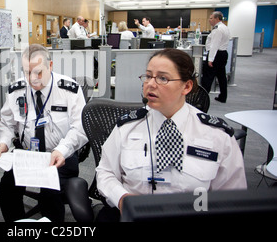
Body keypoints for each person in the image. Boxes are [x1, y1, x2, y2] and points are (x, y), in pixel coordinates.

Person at [95, 48, 246, 221]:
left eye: (162, 78)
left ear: (186, 86)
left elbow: (233, 197)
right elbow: (105, 172)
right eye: (148, 76)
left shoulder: (216, 135)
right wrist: (122, 199)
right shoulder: (128, 127)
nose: (150, 84)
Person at [0, 44, 88, 222]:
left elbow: (81, 127)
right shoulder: (17, 90)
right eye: (27, 72)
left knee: (50, 196)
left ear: (50, 66)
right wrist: (4, 141)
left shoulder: (68, 90)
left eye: (38, 72)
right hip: (27, 154)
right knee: (5, 189)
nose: (32, 79)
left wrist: (63, 149)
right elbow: (7, 123)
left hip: (60, 156)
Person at [201, 11, 231, 103]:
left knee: (207, 78)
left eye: (211, 18)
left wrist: (210, 59)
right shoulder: (225, 27)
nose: (209, 20)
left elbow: (214, 45)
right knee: (222, 77)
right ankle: (223, 96)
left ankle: (202, 99)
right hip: (223, 54)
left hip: (216, 55)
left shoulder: (217, 29)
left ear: (217, 18)